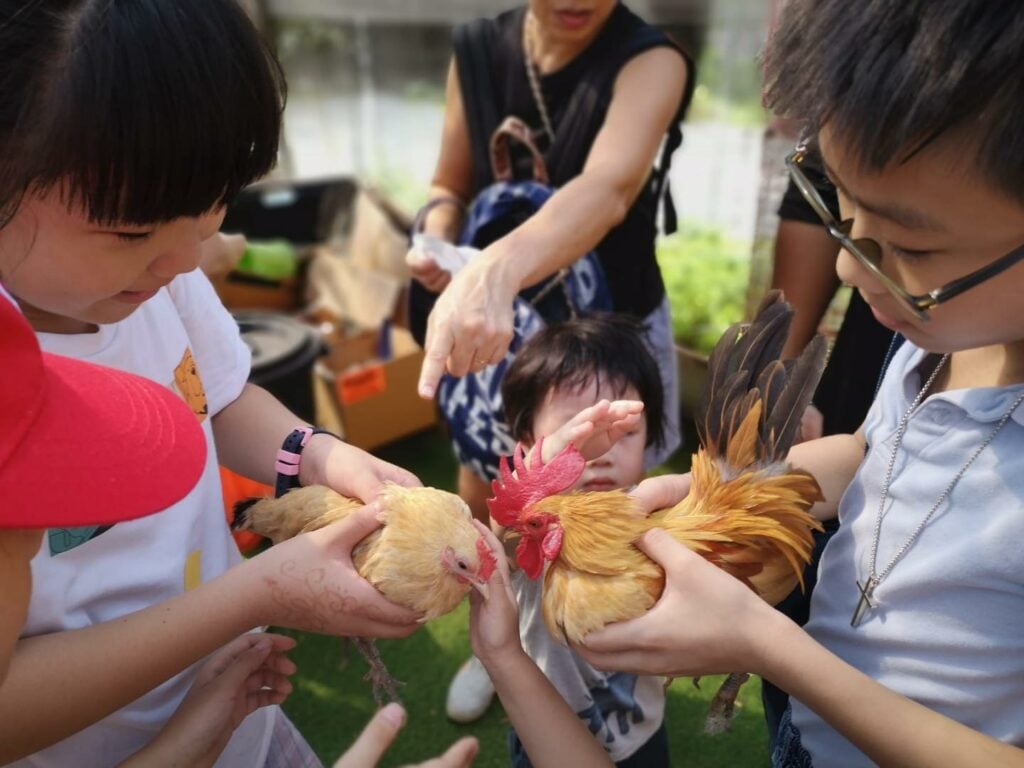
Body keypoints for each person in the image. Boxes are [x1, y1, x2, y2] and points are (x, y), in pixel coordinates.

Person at [576, 1, 1024, 766]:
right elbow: (878, 454)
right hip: (813, 728)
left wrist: (768, 647)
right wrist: (742, 492)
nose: (849, 266)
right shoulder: (945, 334)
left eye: (911, 247)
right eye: (838, 202)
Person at [0, 2, 426, 765]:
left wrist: (320, 456)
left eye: (208, 212)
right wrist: (258, 594)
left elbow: (219, 396)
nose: (186, 262)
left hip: (241, 708)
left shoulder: (154, 274)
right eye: (131, 231)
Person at [410, 0, 692, 722]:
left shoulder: (651, 60)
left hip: (607, 333)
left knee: (615, 487)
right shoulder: (478, 49)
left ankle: (614, 637)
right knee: (491, 481)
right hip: (503, 334)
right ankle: (497, 638)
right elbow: (449, 186)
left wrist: (492, 271)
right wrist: (437, 240)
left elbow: (608, 189)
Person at [491, 314, 669, 766]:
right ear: (528, 438)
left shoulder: (653, 514)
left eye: (625, 433)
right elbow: (502, 538)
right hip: (541, 724)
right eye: (578, 432)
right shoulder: (533, 519)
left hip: (641, 724)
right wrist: (550, 463)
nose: (601, 452)